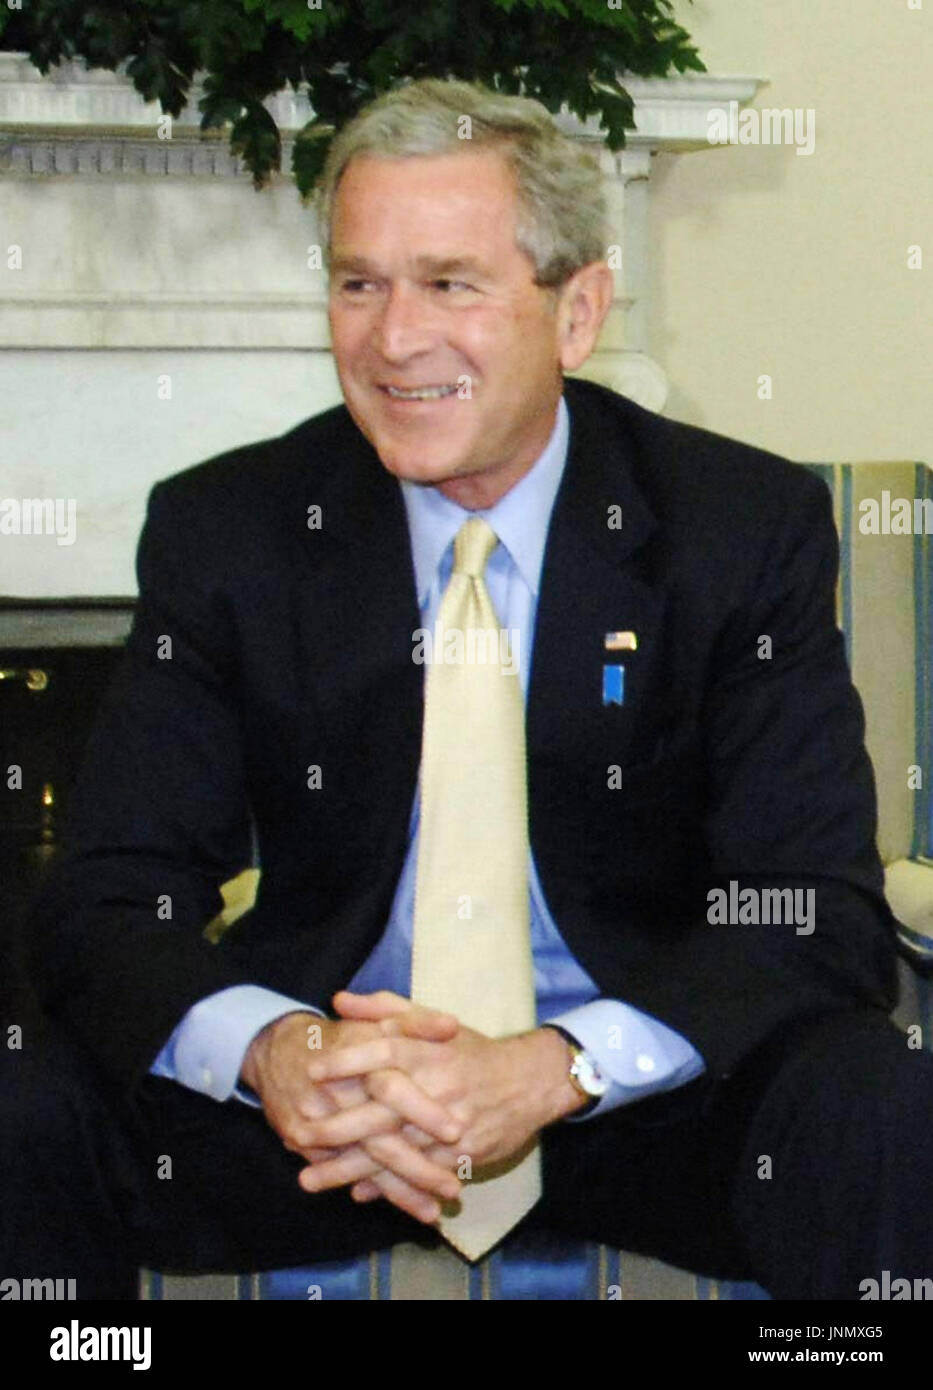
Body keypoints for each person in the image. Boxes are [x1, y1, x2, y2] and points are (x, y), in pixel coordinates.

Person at [5, 76, 932, 1301]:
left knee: (877, 1102)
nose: (394, 339)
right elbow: (109, 896)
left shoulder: (739, 529)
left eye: (450, 283)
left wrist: (555, 1067)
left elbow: (813, 904)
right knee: (29, 1108)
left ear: (578, 309)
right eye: (359, 283)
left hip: (637, 1103)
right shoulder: (229, 530)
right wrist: (277, 1050)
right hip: (322, 1117)